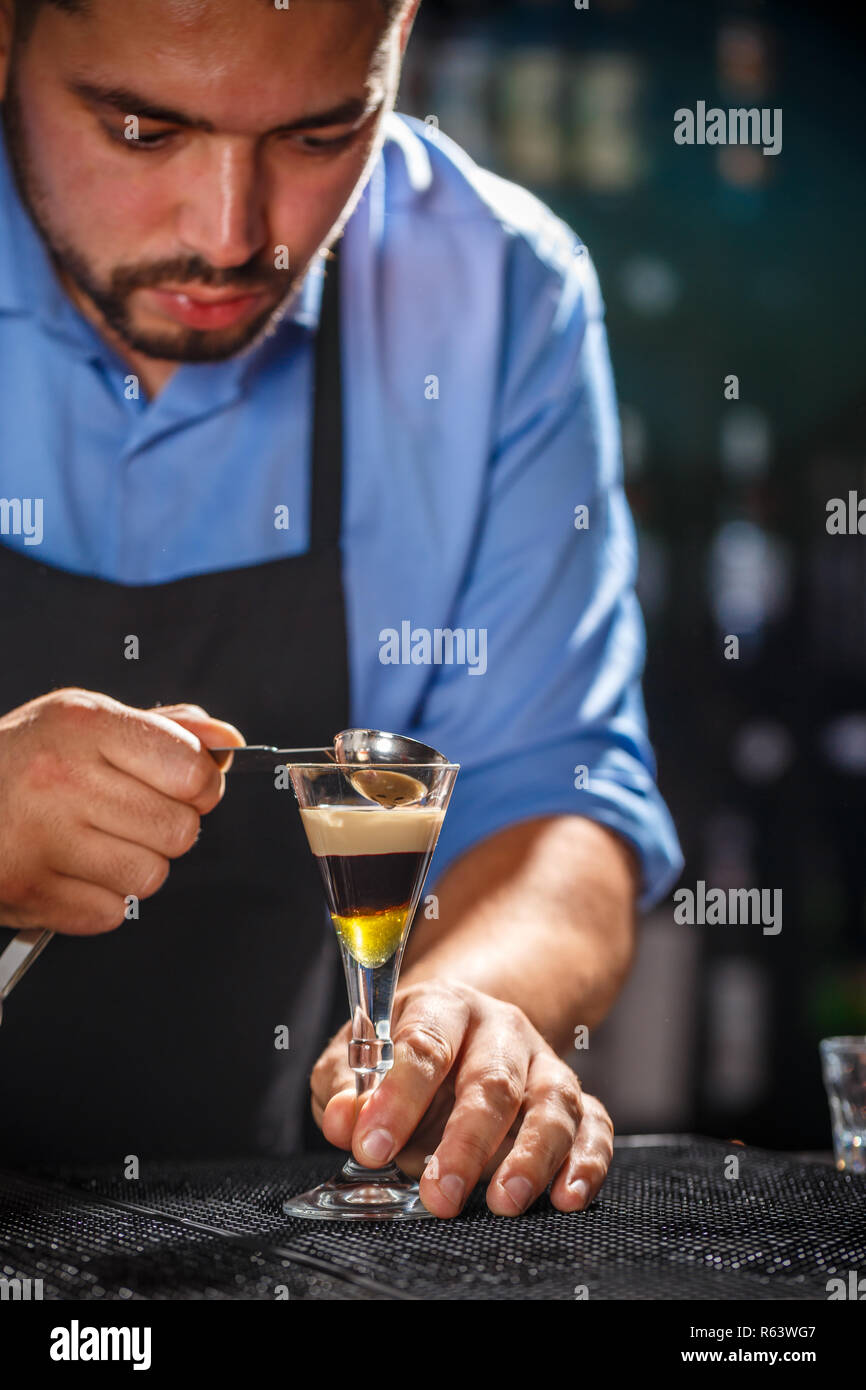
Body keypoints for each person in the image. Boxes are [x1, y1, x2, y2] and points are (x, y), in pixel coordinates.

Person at [0, 0, 682, 1220]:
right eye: (143, 130)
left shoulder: (495, 295)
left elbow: (558, 797)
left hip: (258, 1238)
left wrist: (465, 1011)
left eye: (321, 137)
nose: (231, 236)